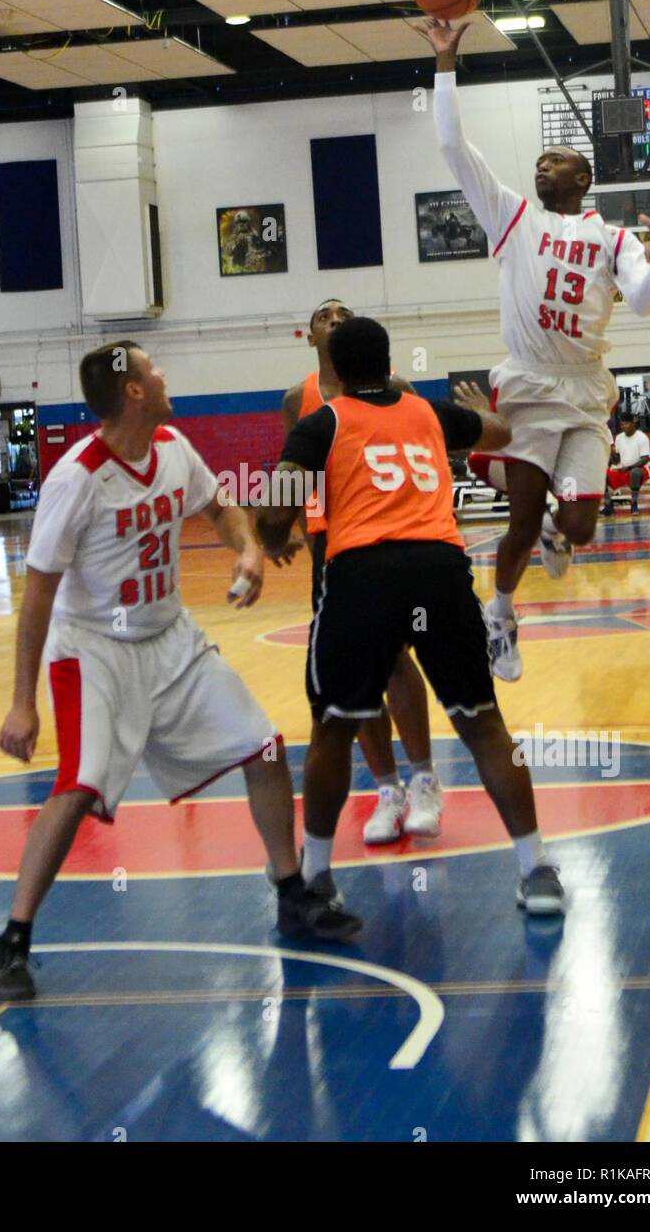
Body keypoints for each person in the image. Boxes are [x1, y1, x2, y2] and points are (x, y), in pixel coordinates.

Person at [0, 341, 360, 1002]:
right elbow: (38, 595)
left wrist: (246, 550)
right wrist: (21, 703)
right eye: (151, 368)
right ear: (131, 390)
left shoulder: (174, 449)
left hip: (170, 639)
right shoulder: (77, 478)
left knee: (263, 746)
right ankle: (10, 942)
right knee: (76, 787)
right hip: (94, 649)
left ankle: (291, 892)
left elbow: (220, 510)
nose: (162, 374)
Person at [257, 316, 565, 915]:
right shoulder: (428, 414)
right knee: (484, 725)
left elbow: (274, 512)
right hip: (439, 572)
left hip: (362, 577)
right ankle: (538, 869)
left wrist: (269, 533)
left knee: (334, 728)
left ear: (337, 371)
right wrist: (472, 412)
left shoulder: (321, 422)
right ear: (389, 362)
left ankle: (316, 877)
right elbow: (499, 432)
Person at [418, 16, 650, 681]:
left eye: (554, 158)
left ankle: (548, 514)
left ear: (582, 176)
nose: (542, 163)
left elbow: (645, 299)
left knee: (583, 526)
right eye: (538, 159)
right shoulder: (513, 217)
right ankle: (499, 615)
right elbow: (453, 146)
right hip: (531, 384)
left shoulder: (613, 239)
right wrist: (446, 61)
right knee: (525, 520)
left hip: (588, 388)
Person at [281, 299, 443, 847]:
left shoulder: (396, 386)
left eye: (344, 313)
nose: (335, 317)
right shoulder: (297, 400)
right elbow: (294, 469)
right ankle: (388, 788)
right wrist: (290, 531)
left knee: (397, 655)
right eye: (324, 314)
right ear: (309, 336)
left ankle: (423, 777)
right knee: (357, 670)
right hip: (334, 539)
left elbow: (424, 446)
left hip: (393, 531)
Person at [602, 416, 650, 516]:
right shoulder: (619, 438)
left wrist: (628, 468)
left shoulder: (642, 437)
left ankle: (634, 504)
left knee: (635, 472)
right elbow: (618, 459)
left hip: (640, 470)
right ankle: (608, 506)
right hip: (623, 470)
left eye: (626, 424)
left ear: (633, 423)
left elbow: (644, 460)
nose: (623, 426)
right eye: (621, 424)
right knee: (601, 474)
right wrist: (612, 457)